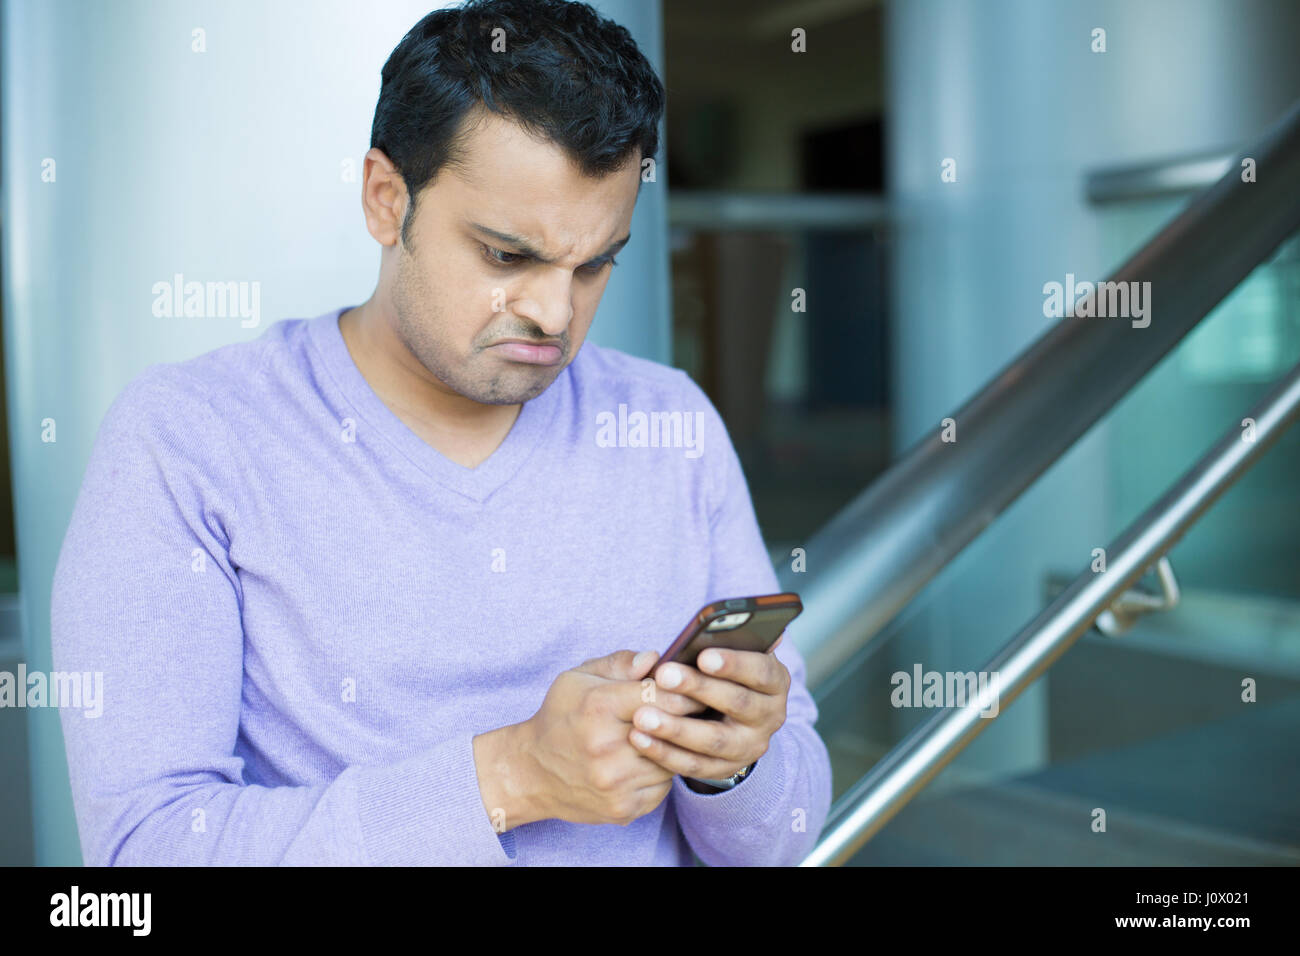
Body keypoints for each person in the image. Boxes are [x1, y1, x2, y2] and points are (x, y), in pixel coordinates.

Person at [51, 0, 831, 866]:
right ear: (387, 199)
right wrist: (511, 777)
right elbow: (143, 855)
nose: (554, 312)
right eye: (507, 255)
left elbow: (781, 840)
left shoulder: (668, 421)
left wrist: (734, 769)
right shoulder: (188, 441)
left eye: (595, 262)